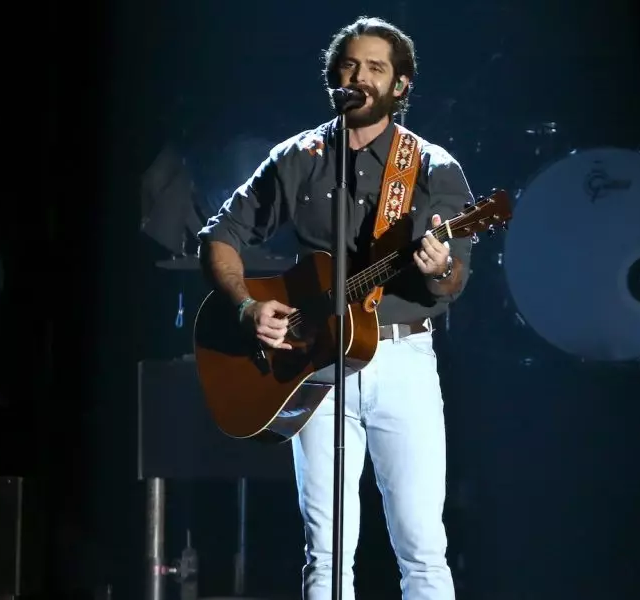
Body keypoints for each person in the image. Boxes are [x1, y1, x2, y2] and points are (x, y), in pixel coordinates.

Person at [198, 16, 474, 600]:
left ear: (400, 86)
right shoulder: (298, 156)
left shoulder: (432, 167)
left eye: (376, 68)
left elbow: (453, 280)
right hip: (316, 364)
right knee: (324, 553)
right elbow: (219, 235)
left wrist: (438, 268)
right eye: (350, 65)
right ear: (333, 77)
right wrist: (248, 307)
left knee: (422, 546)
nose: (360, 77)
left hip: (402, 362)